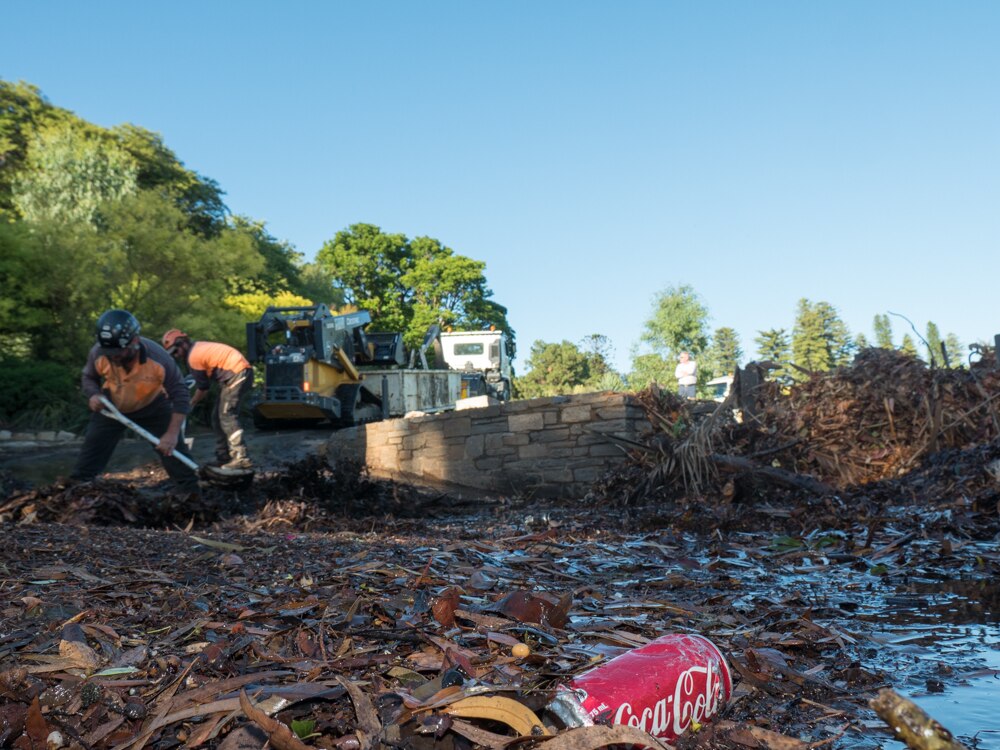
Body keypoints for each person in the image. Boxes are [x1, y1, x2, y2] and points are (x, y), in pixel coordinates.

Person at [71, 309, 199, 493]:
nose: (113, 356)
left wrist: (171, 434)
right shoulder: (98, 352)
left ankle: (191, 496)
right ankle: (77, 494)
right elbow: (88, 377)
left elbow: (180, 395)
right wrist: (93, 394)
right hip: (112, 408)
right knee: (89, 458)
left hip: (154, 408)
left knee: (177, 459)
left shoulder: (158, 358)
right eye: (110, 352)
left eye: (119, 351)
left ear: (135, 341)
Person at [162, 329, 254, 471]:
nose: (176, 356)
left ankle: (241, 458)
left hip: (237, 372)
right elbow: (201, 378)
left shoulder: (193, 357)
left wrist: (190, 404)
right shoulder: (196, 349)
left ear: (183, 344)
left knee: (226, 414)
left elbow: (203, 388)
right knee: (216, 417)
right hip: (233, 374)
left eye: (176, 351)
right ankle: (224, 457)